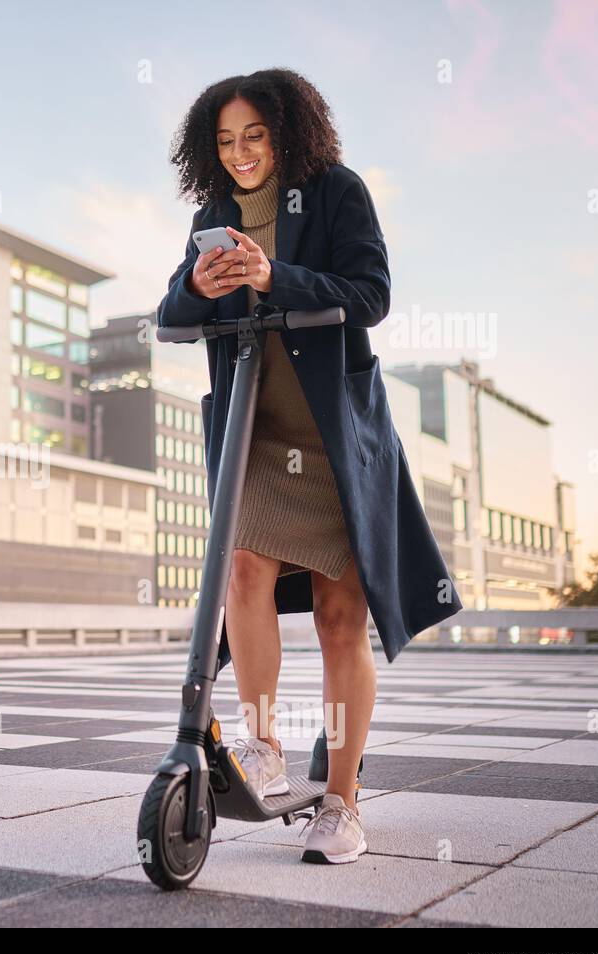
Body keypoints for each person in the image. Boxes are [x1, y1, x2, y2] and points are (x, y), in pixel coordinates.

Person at [157, 68, 460, 864]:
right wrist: (198, 282)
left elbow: (370, 293)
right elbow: (170, 314)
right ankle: (264, 746)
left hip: (332, 437)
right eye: (225, 141)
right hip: (255, 433)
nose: (240, 153)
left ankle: (343, 800)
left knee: (337, 617)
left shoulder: (336, 192)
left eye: (254, 135)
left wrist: (273, 275)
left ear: (288, 131)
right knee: (244, 575)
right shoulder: (214, 215)